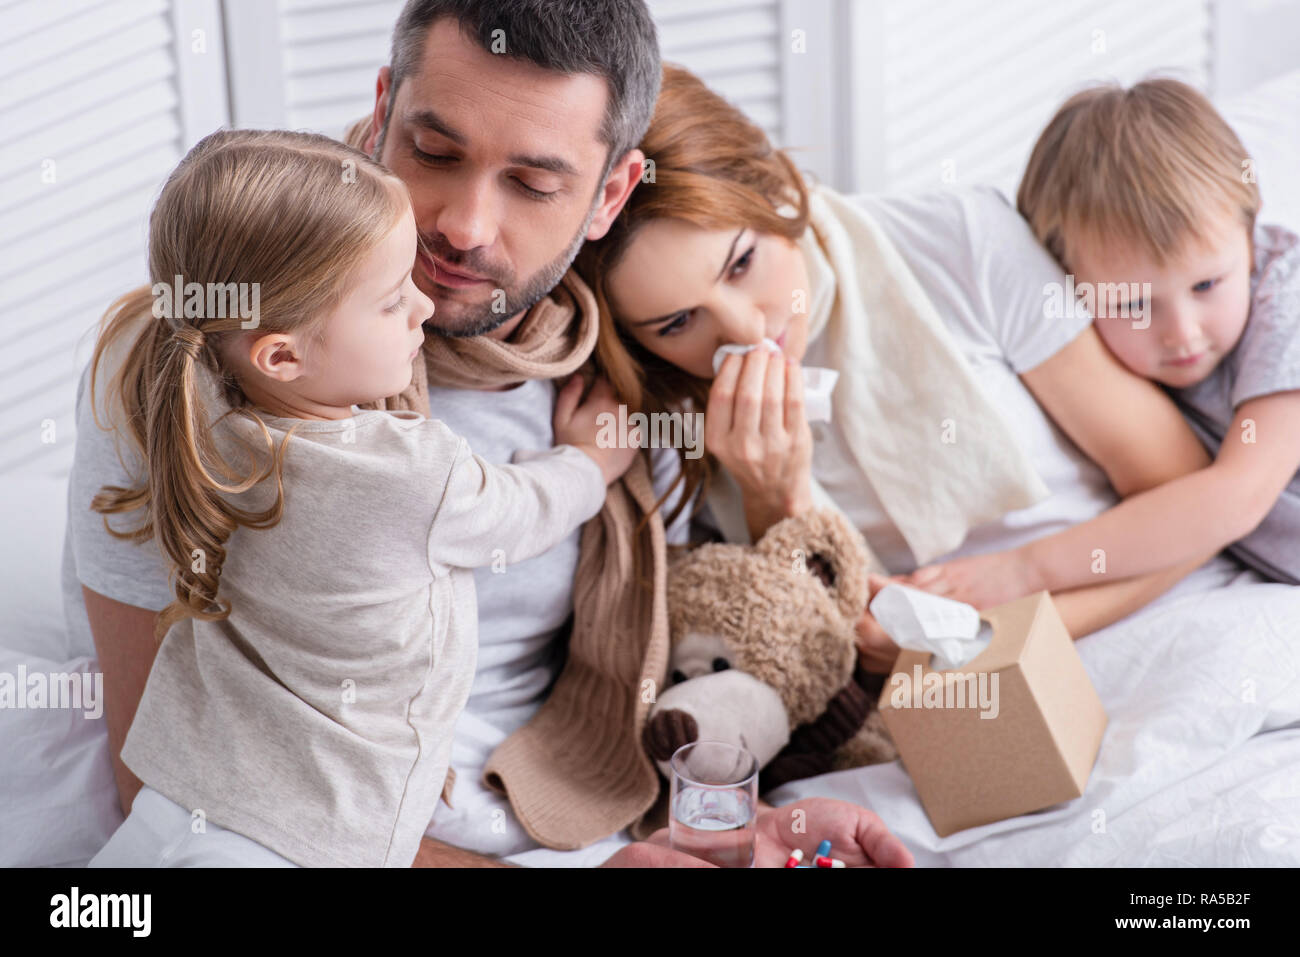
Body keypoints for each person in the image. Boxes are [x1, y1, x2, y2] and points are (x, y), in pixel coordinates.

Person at [68, 0, 911, 867]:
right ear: (384, 107)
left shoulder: (622, 368)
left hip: (569, 817)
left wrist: (720, 830)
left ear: (608, 195)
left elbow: (718, 658)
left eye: (534, 184)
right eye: (434, 152)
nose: (463, 228)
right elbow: (172, 781)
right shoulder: (201, 357)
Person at [84, 129, 636, 867]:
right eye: (390, 301)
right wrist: (589, 462)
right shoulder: (411, 472)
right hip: (298, 832)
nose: (422, 308)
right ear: (282, 354)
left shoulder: (191, 400)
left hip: (177, 788)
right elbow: (521, 509)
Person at [575, 63, 1221, 677]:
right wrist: (777, 499)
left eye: (741, 263)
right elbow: (810, 657)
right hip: (943, 701)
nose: (746, 332)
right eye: (677, 322)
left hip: (1142, 611)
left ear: (773, 190)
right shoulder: (680, 433)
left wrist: (990, 634)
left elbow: (1192, 499)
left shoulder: (961, 242)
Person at [908, 78, 1300, 609]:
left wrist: (1022, 571)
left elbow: (1238, 497)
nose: (1182, 333)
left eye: (1206, 285)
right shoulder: (1084, 352)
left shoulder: (1287, 298)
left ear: (1250, 238)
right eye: (1133, 305)